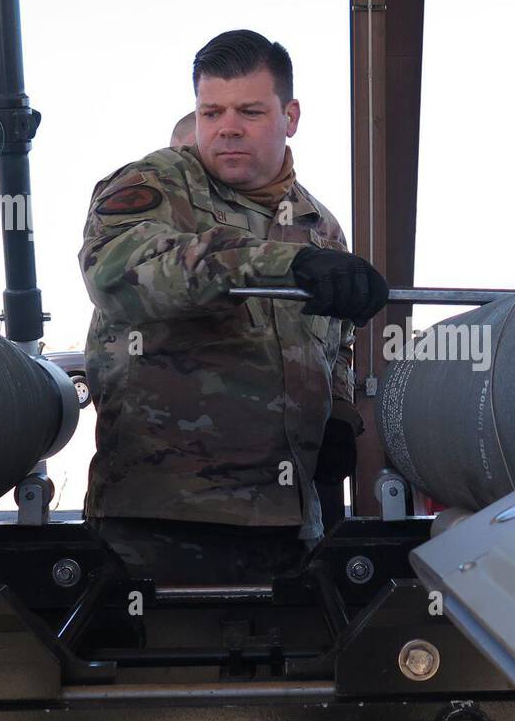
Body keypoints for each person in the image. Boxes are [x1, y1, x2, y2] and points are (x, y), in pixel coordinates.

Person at [78, 30, 388, 582]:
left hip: (291, 524)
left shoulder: (320, 228)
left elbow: (334, 343)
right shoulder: (156, 184)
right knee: (161, 667)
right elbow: (117, 273)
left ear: (290, 116)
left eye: (249, 110)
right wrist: (279, 264)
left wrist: (339, 416)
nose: (227, 128)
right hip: (162, 517)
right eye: (211, 111)